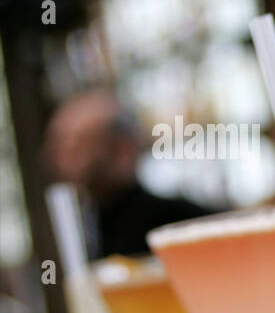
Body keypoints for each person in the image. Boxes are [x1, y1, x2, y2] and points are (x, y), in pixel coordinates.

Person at [43, 90, 213, 258]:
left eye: (74, 145)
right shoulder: (79, 227)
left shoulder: (180, 226)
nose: (56, 158)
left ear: (121, 148)